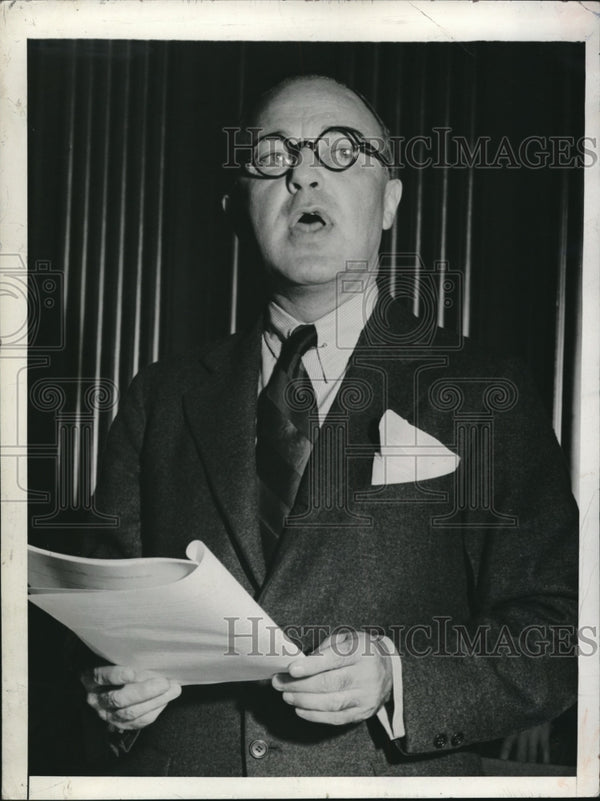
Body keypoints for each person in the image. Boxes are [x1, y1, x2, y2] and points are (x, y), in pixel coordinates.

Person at [77, 75, 578, 776]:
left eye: (340, 152)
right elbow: (101, 616)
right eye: (273, 157)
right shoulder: (160, 394)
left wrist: (396, 674)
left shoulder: (484, 390)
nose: (305, 172)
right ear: (237, 206)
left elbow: (558, 634)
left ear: (390, 203)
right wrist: (112, 690)